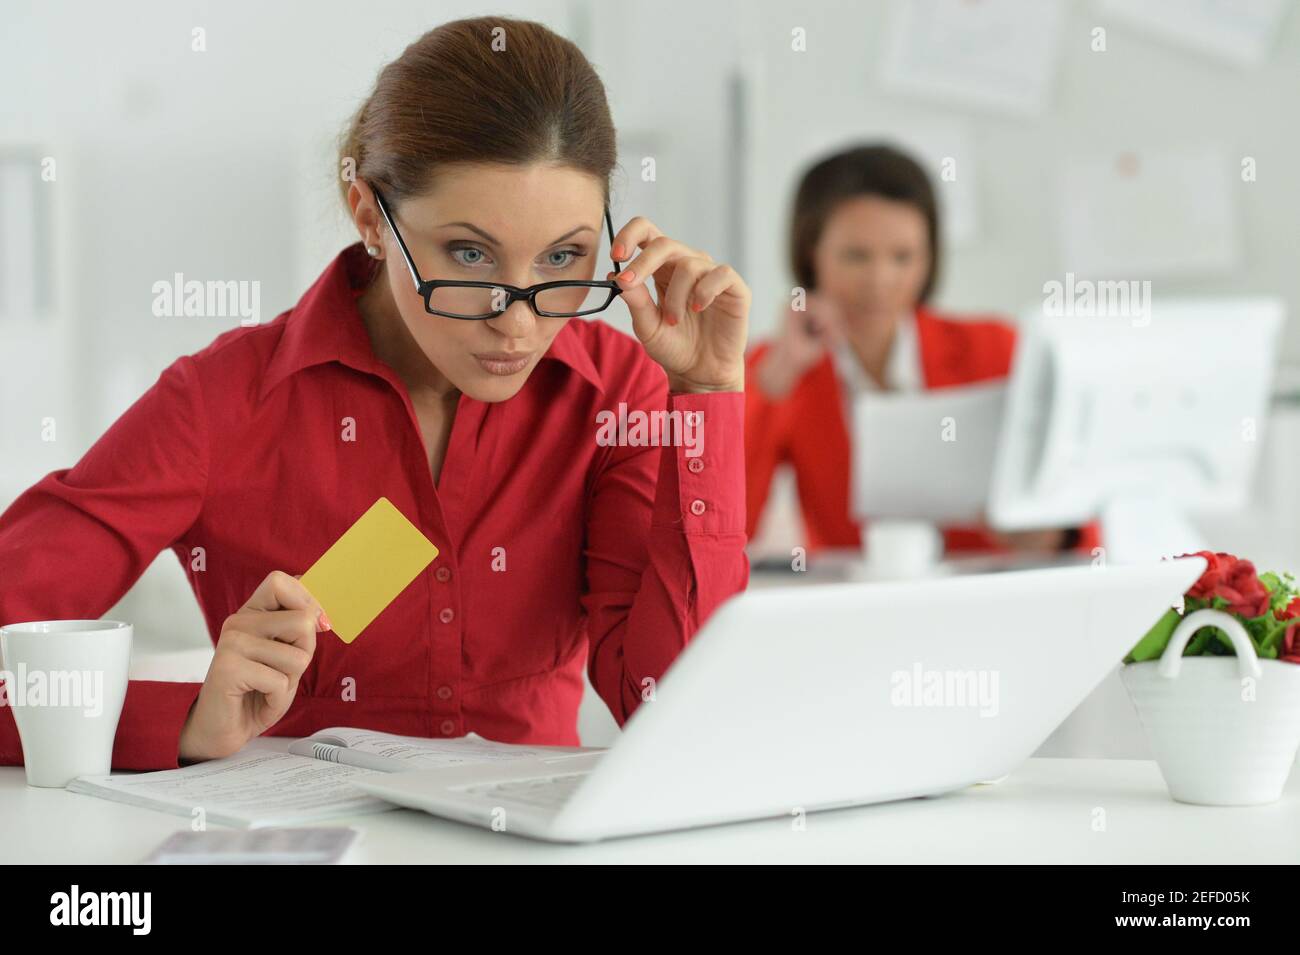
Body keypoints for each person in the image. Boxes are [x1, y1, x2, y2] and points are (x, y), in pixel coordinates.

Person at [0, 17, 751, 770]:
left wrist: (707, 393)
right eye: (469, 253)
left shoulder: (617, 394)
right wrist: (189, 719)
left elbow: (681, 711)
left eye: (563, 257)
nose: (518, 323)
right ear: (371, 217)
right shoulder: (222, 400)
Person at [745, 143, 1099, 557]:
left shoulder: (995, 348)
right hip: (855, 605)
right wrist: (776, 379)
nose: (880, 280)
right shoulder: (775, 370)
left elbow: (1081, 512)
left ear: (929, 256)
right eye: (856, 256)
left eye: (903, 257)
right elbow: (725, 529)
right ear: (811, 253)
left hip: (989, 596)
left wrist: (1050, 536)